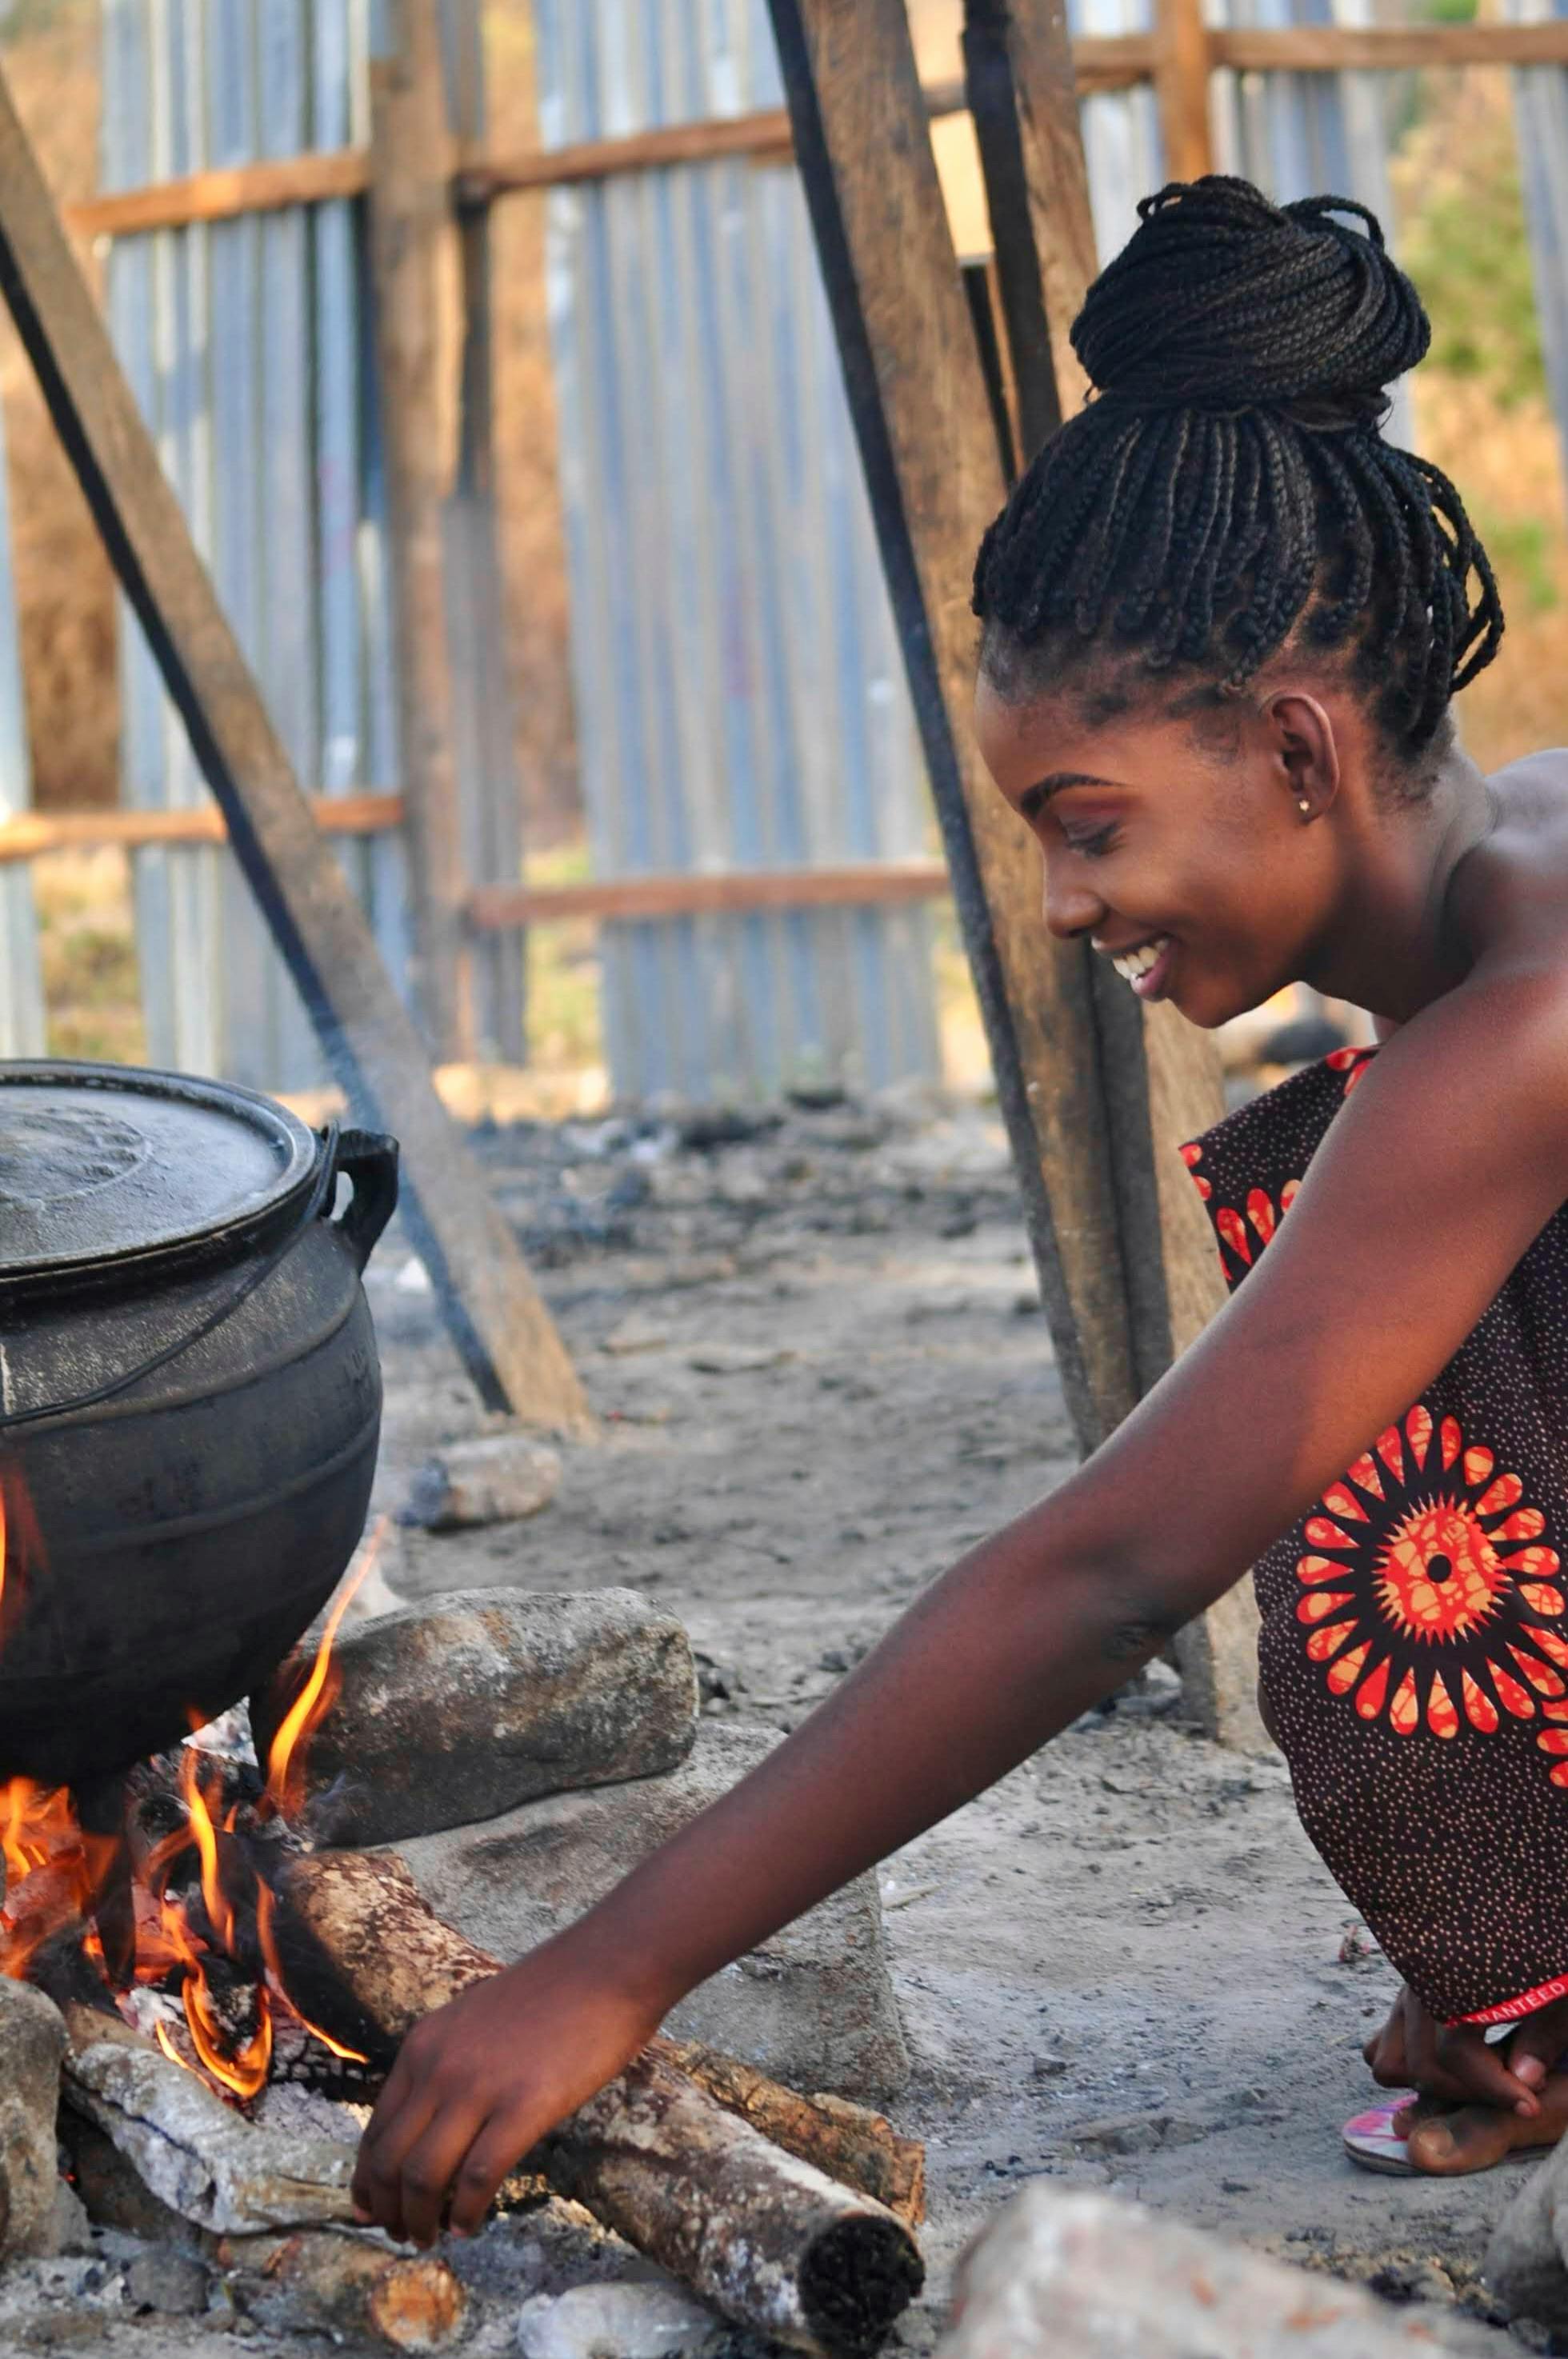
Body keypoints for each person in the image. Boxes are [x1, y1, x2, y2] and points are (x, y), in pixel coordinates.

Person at [353, 175, 1568, 2243]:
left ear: (1294, 749)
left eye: (1086, 831)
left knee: (1372, 1478)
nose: (1068, 904)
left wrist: (604, 1972)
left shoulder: (1526, 1021)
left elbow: (1108, 1571)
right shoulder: (1514, 878)